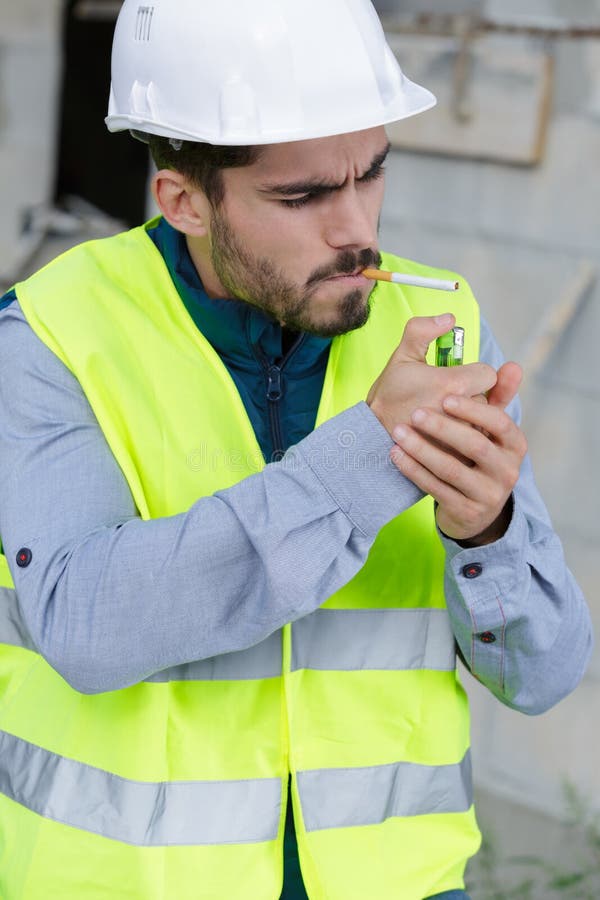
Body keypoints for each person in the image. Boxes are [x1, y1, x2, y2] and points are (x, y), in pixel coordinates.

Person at [0, 1, 592, 898]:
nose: (356, 227)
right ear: (184, 200)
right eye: (304, 194)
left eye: (371, 175)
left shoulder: (441, 328)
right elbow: (87, 628)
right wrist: (367, 456)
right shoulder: (48, 339)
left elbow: (545, 675)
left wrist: (489, 534)